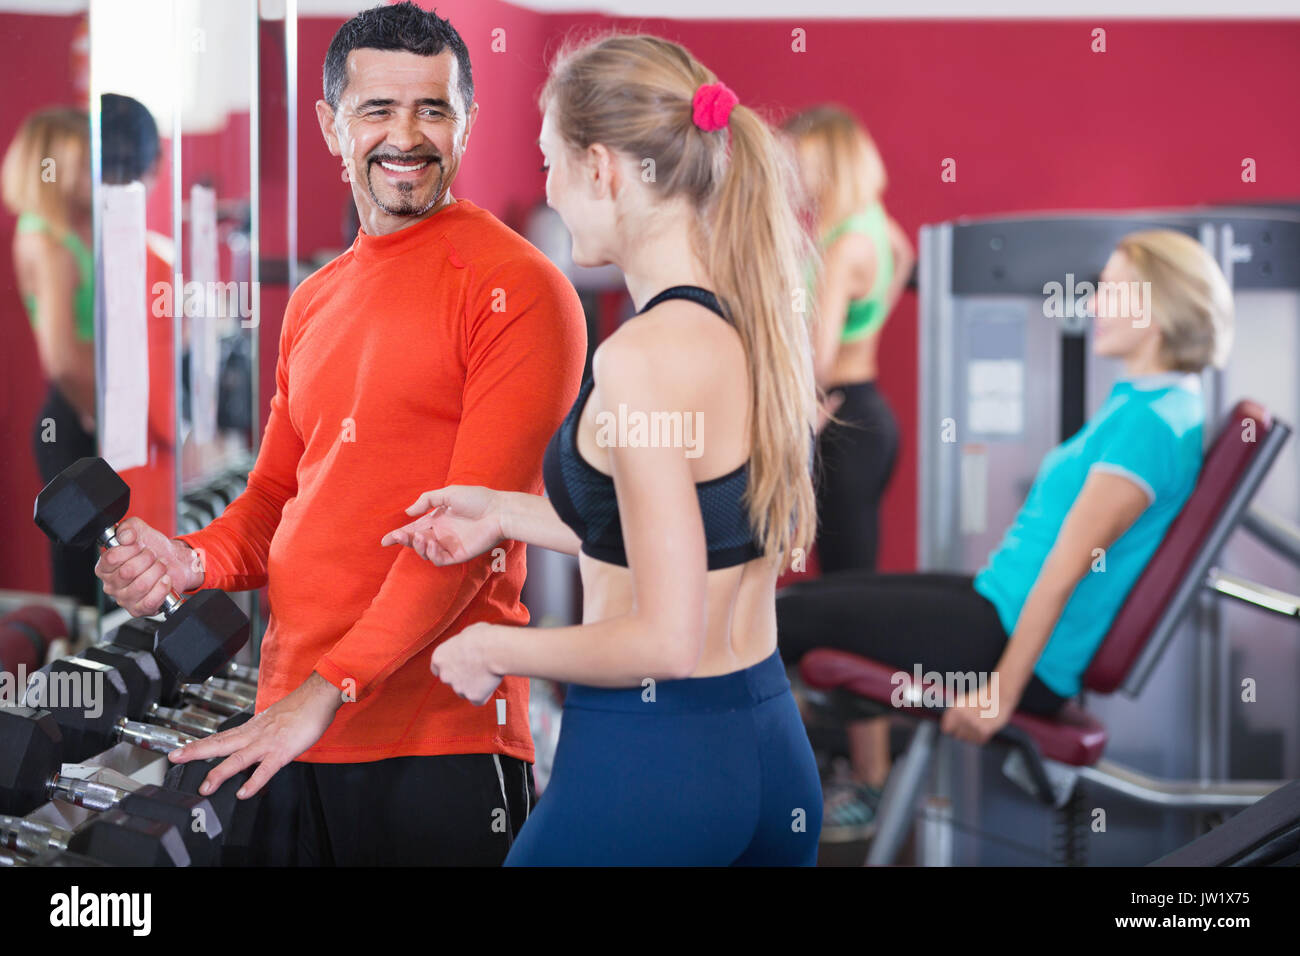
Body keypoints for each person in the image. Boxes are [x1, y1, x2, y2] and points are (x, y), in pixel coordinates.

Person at [93, 1, 586, 865]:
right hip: (287, 730)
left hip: (437, 742)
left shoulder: (519, 290)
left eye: (433, 108)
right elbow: (277, 501)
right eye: (377, 110)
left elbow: (465, 540)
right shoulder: (319, 298)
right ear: (330, 125)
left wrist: (329, 689)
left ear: (466, 121)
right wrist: (188, 559)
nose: (408, 135)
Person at [385, 33, 824, 865]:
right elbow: (687, 535)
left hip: (654, 767)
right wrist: (503, 514)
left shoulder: (639, 357)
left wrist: (492, 648)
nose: (547, 191)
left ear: (604, 170)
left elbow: (664, 639)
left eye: (550, 164)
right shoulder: (755, 324)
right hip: (767, 751)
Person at [776, 229, 1235, 839]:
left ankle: (744, 817)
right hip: (997, 603)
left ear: (1160, 309)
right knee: (795, 605)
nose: (1094, 304)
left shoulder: (1151, 426)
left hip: (1010, 641)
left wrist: (999, 693)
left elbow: (1068, 566)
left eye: (1113, 292)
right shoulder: (1152, 402)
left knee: (780, 621)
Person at [784, 106, 913, 577]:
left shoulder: (841, 249)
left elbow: (817, 362)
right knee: (850, 574)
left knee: (844, 581)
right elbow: (903, 256)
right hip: (867, 411)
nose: (791, 176)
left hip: (840, 418)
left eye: (795, 162)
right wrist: (870, 322)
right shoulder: (872, 223)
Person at [3, 107, 96, 604]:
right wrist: (103, 414)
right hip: (71, 416)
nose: (92, 175)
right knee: (83, 582)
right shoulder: (45, 239)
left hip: (85, 409)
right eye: (82, 165)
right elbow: (61, 357)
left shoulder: (73, 231)